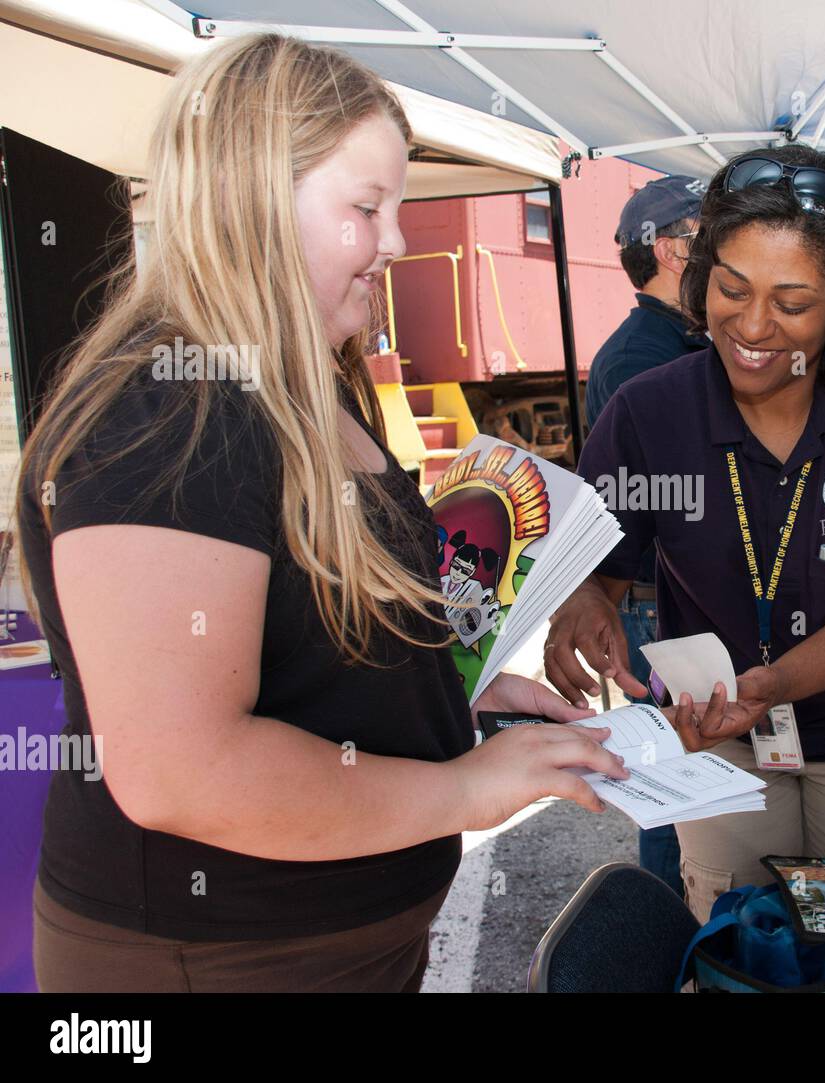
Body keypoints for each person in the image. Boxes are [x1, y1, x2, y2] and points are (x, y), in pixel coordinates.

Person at [6, 33, 625, 994]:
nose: (395, 241)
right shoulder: (171, 411)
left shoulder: (301, 384)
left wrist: (441, 687)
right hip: (214, 957)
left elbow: (303, 638)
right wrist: (459, 789)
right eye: (365, 207)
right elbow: (183, 768)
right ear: (250, 202)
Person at [546, 145, 825, 923]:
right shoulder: (647, 411)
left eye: (793, 301)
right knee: (737, 940)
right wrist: (584, 601)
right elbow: (594, 560)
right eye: (731, 289)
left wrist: (775, 684)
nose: (754, 325)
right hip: (716, 738)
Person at [584, 175, 709, 896]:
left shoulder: (682, 342)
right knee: (673, 784)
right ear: (671, 250)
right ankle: (668, 941)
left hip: (671, 600)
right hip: (656, 604)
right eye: (709, 233)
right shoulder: (643, 357)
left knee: (693, 776)